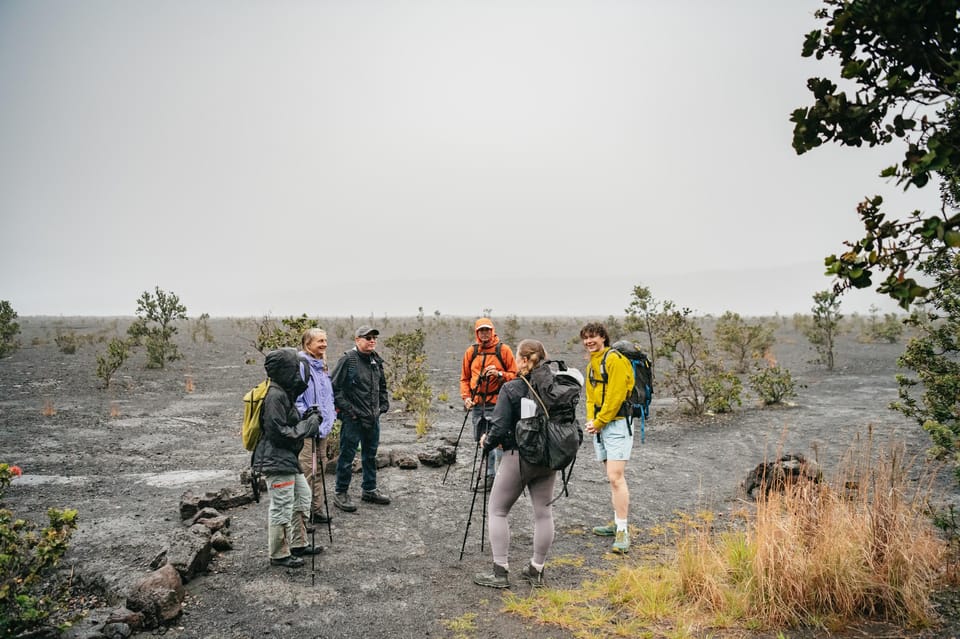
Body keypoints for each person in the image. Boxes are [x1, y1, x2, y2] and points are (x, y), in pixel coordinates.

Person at [473, 339, 557, 589]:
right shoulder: (556, 387)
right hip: (549, 458)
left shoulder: (511, 389)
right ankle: (536, 570)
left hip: (517, 458)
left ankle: (500, 572)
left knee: (498, 510)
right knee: (544, 513)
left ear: (522, 360)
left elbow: (498, 428)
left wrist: (486, 442)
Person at [252, 348, 323, 568]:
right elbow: (278, 432)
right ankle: (278, 553)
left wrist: (306, 417)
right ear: (286, 370)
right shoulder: (275, 395)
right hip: (276, 459)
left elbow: (287, 422)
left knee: (302, 497)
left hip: (286, 459)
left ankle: (298, 543)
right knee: (282, 505)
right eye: (296, 368)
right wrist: (307, 426)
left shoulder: (283, 392)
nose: (300, 374)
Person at [580, 322, 635, 554]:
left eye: (593, 337)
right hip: (601, 426)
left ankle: (622, 531)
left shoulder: (614, 360)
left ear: (603, 337)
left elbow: (615, 396)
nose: (589, 341)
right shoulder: (592, 364)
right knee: (611, 477)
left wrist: (600, 421)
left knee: (616, 477)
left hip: (618, 424)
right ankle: (616, 522)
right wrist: (593, 421)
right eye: (585, 338)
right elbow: (591, 396)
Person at [330, 325, 391, 512]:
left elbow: (382, 384)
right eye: (367, 337)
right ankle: (340, 492)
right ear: (357, 340)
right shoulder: (348, 360)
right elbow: (335, 388)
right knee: (347, 456)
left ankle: (369, 489)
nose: (372, 340)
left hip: (372, 418)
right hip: (353, 419)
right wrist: (351, 412)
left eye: (374, 337)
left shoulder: (375, 360)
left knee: (370, 455)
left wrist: (383, 405)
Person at [459, 318, 517, 492]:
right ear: (477, 333)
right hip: (478, 404)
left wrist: (500, 374)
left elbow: (515, 375)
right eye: (481, 330)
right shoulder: (471, 352)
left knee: (499, 441)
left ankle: (502, 477)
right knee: (483, 440)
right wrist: (466, 397)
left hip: (499, 403)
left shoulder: (503, 350)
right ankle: (489, 476)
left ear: (493, 331)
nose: (484, 333)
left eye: (487, 330)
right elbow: (465, 378)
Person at [296, 328, 337, 524]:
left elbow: (327, 395)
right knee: (307, 471)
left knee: (320, 468)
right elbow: (295, 398)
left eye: (325, 340)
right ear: (307, 344)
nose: (324, 344)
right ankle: (302, 517)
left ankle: (316, 509)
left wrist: (331, 415)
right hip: (307, 428)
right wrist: (308, 416)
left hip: (323, 427)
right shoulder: (302, 365)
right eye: (320, 341)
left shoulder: (322, 365)